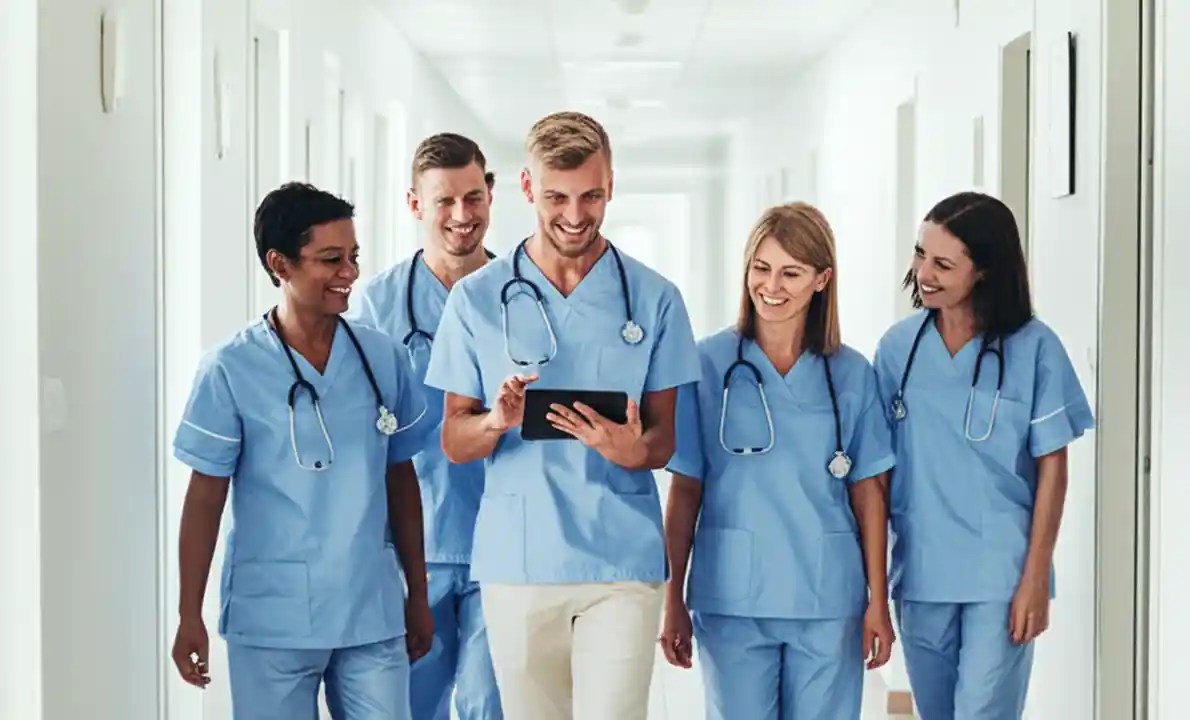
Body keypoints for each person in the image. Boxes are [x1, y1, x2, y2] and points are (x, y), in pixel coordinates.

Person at [424, 110, 700, 720]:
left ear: (610, 186)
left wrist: (635, 450)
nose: (576, 216)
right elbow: (453, 439)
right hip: (520, 562)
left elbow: (663, 438)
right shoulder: (476, 299)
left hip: (620, 561)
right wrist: (495, 420)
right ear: (526, 188)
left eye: (592, 196)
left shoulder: (654, 299)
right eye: (557, 197)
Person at [169, 182, 435, 719]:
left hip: (370, 610)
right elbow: (204, 500)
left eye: (354, 256)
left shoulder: (381, 358)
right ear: (280, 264)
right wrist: (188, 613)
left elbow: (401, 479)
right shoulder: (230, 369)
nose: (349, 273)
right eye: (330, 259)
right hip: (274, 619)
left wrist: (419, 594)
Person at [660, 202, 897, 719]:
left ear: (821, 280)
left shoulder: (851, 374)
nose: (772, 286)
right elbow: (685, 491)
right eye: (761, 269)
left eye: (791, 272)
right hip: (731, 597)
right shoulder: (705, 365)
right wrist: (671, 596)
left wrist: (879, 601)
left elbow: (869, 496)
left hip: (826, 597)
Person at [873, 191, 1095, 718]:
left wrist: (1036, 577)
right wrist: (875, 586)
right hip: (922, 570)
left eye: (944, 263)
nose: (924, 272)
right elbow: (875, 475)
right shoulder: (897, 350)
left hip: (1001, 572)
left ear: (985, 272)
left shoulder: (1036, 347)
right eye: (921, 254)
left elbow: (1052, 467)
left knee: (982, 711)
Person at [347, 132, 503, 720]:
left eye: (472, 197)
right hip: (415, 549)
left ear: (491, 195)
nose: (461, 217)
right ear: (415, 204)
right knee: (409, 707)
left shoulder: (522, 293)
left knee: (494, 706)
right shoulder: (378, 307)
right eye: (444, 201)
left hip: (504, 543)